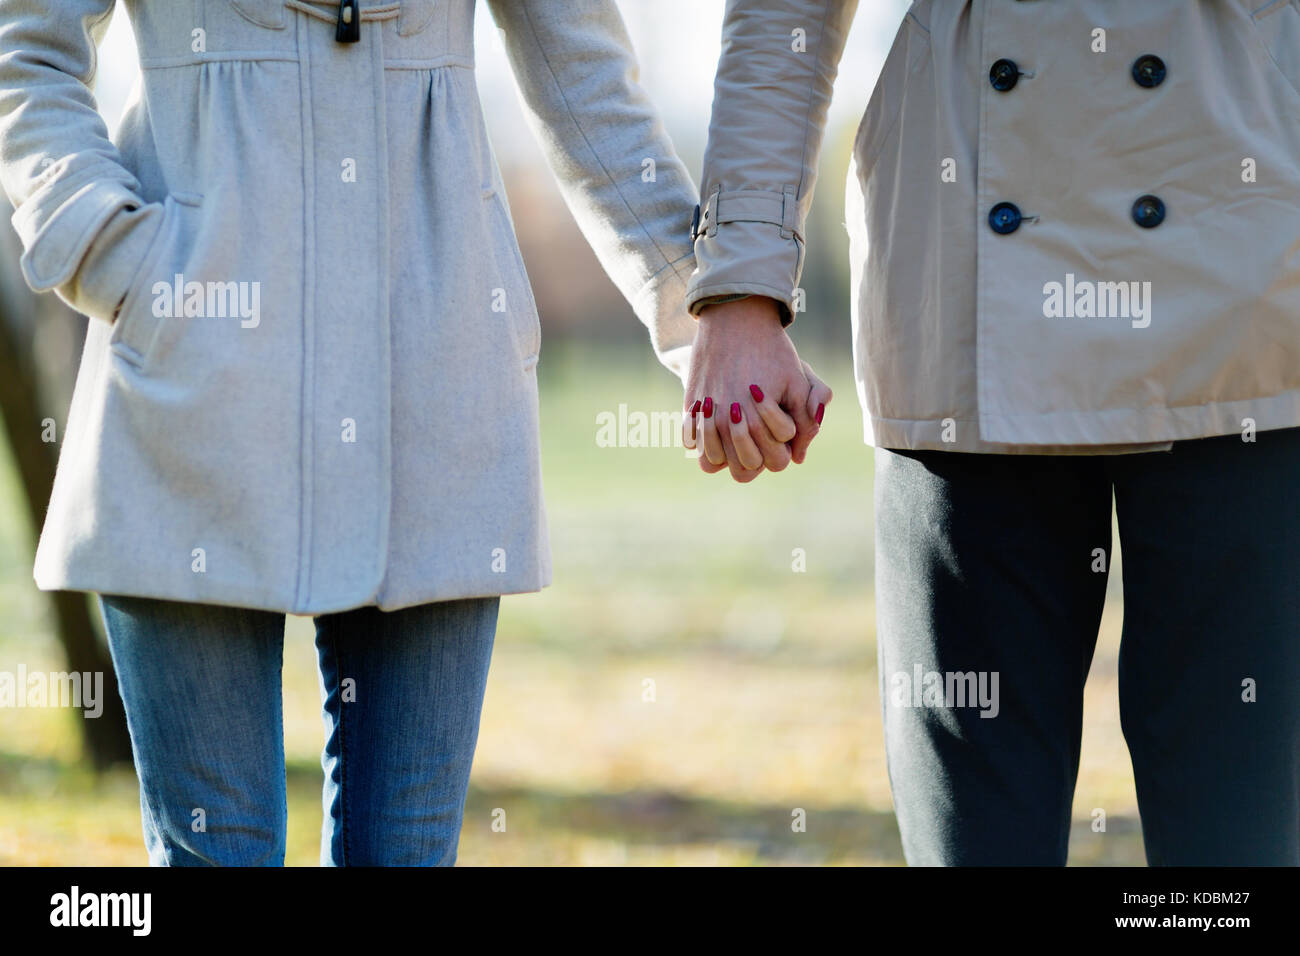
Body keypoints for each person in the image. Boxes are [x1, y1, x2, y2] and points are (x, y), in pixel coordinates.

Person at [0, 0, 821, 866]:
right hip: (191, 369)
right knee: (215, 854)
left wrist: (717, 316)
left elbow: (583, 78)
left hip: (442, 375)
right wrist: (106, 251)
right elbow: (25, 45)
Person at [683, 0, 1300, 865]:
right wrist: (741, 287)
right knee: (979, 846)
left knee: (1233, 861)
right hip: (962, 293)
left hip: (1250, 292)